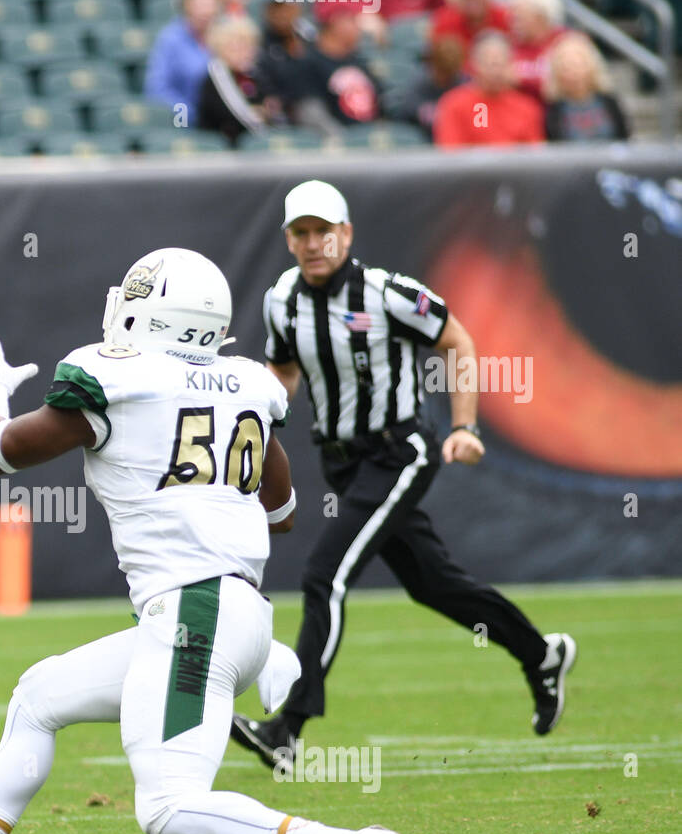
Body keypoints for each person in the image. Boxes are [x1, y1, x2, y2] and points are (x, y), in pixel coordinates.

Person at [0, 249, 416, 834]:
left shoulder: (115, 378)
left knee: (168, 806)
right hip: (225, 610)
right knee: (39, 695)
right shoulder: (247, 383)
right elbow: (283, 510)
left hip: (195, 614)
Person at [228, 180, 575, 768]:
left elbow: (457, 341)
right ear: (288, 239)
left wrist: (466, 427)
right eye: (301, 233)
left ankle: (287, 729)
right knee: (433, 583)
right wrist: (254, 410)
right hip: (341, 461)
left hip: (398, 451)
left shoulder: (387, 293)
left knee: (323, 577)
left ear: (346, 234)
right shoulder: (282, 298)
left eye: (323, 231)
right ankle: (540, 654)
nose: (314, 244)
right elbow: (283, 371)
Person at [269, 3, 382, 133]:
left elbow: (381, 105)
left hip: (370, 144)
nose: (358, 28)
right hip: (334, 145)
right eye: (352, 20)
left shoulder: (358, 61)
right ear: (335, 22)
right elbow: (310, 112)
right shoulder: (306, 62)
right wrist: (345, 141)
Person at [433, 32, 544, 147]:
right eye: (489, 64)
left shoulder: (527, 108)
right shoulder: (453, 104)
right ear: (473, 65)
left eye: (500, 64)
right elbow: (449, 153)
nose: (495, 72)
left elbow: (534, 156)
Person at [143, 0, 225, 120]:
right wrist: (188, 114)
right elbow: (156, 88)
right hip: (188, 121)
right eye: (199, 6)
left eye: (210, 6)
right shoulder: (170, 39)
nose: (205, 13)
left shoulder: (228, 33)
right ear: (186, 6)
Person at [543, 30, 629, 141]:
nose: (573, 74)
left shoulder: (610, 102)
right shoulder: (552, 110)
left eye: (577, 66)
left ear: (591, 67)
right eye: (566, 68)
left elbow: (625, 139)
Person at [196, 14, 268, 143]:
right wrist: (257, 114)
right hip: (220, 147)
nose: (243, 53)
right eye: (235, 48)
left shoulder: (255, 74)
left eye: (247, 47)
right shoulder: (215, 77)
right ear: (220, 50)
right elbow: (229, 116)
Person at [507, 0, 566, 100]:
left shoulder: (565, 42)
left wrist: (521, 80)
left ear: (541, 15)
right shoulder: (508, 46)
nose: (512, 20)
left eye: (519, 15)